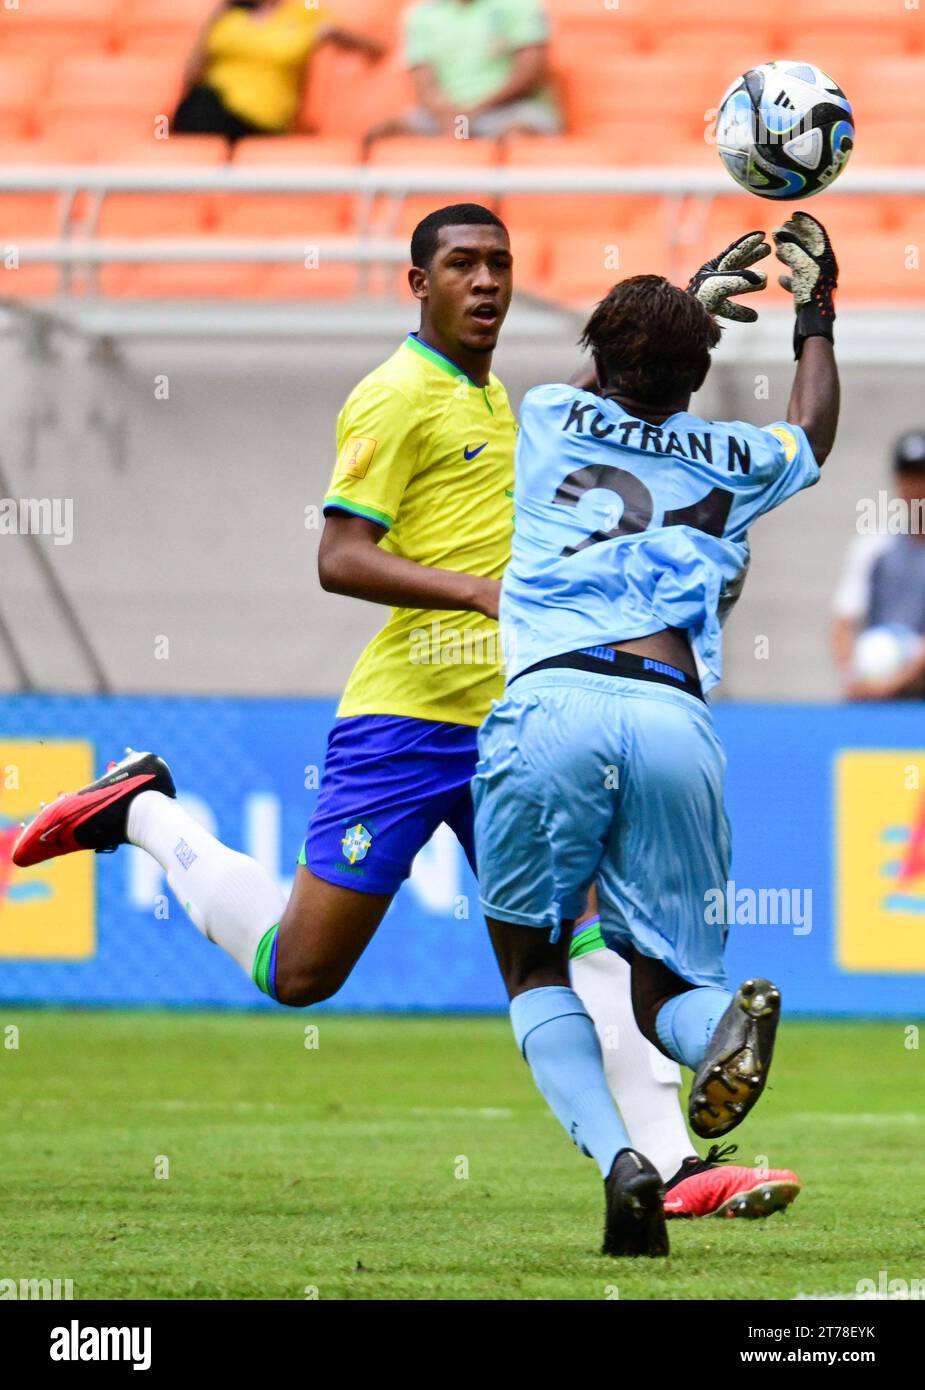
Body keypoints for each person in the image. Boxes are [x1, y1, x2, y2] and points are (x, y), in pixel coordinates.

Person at [14, 207, 808, 1249]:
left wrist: (684, 321)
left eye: (501, 265)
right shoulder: (394, 395)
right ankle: (148, 813)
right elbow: (339, 555)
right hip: (408, 720)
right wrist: (482, 596)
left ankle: (665, 1164)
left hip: (523, 721)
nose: (486, 282)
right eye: (461, 265)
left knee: (585, 941)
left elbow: (634, 409)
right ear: (416, 282)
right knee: (301, 973)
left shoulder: (512, 402)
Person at [470, 212, 840, 1254]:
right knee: (667, 980)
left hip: (553, 703)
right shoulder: (733, 452)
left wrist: (680, 304)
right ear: (698, 373)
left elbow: (617, 383)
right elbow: (812, 433)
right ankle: (715, 1030)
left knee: (534, 960)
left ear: (601, 356)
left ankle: (623, 1156)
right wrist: (814, 314)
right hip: (672, 710)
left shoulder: (547, 412)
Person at [173, 0, 383, 142]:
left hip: (261, 119)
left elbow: (373, 47)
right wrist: (215, 15)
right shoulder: (230, 13)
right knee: (197, 110)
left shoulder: (304, 8)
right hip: (207, 104)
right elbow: (192, 71)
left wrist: (330, 32)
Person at [368, 0, 561, 143]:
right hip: (444, 116)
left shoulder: (520, 5)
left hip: (511, 110)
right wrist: (454, 120)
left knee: (516, 137)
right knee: (383, 136)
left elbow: (530, 73)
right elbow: (425, 86)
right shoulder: (422, 14)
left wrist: (473, 112)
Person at [832, 430, 925, 700]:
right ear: (897, 482)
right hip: (878, 695)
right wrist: (852, 676)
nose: (918, 487)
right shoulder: (873, 548)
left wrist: (903, 675)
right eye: (909, 477)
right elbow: (843, 622)